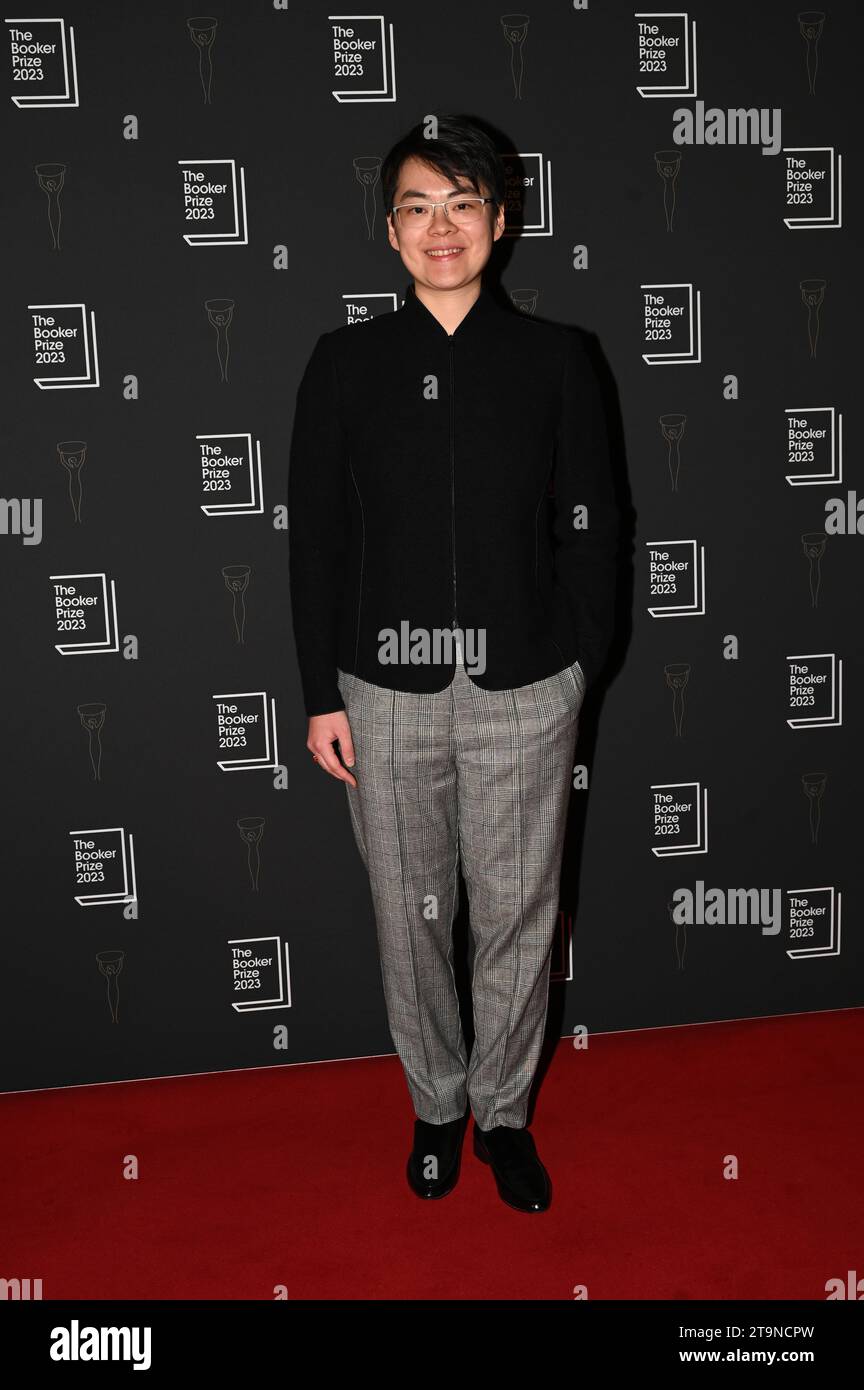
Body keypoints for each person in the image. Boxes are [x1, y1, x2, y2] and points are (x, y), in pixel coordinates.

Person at [288, 113, 619, 1213]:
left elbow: (594, 528)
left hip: (527, 687)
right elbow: (320, 541)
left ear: (502, 220)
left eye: (463, 203)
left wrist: (578, 664)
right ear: (389, 230)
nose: (443, 227)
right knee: (411, 914)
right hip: (382, 695)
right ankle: (437, 1105)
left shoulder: (558, 359)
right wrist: (318, 692)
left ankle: (505, 1115)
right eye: (418, 206)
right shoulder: (345, 365)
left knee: (521, 917)